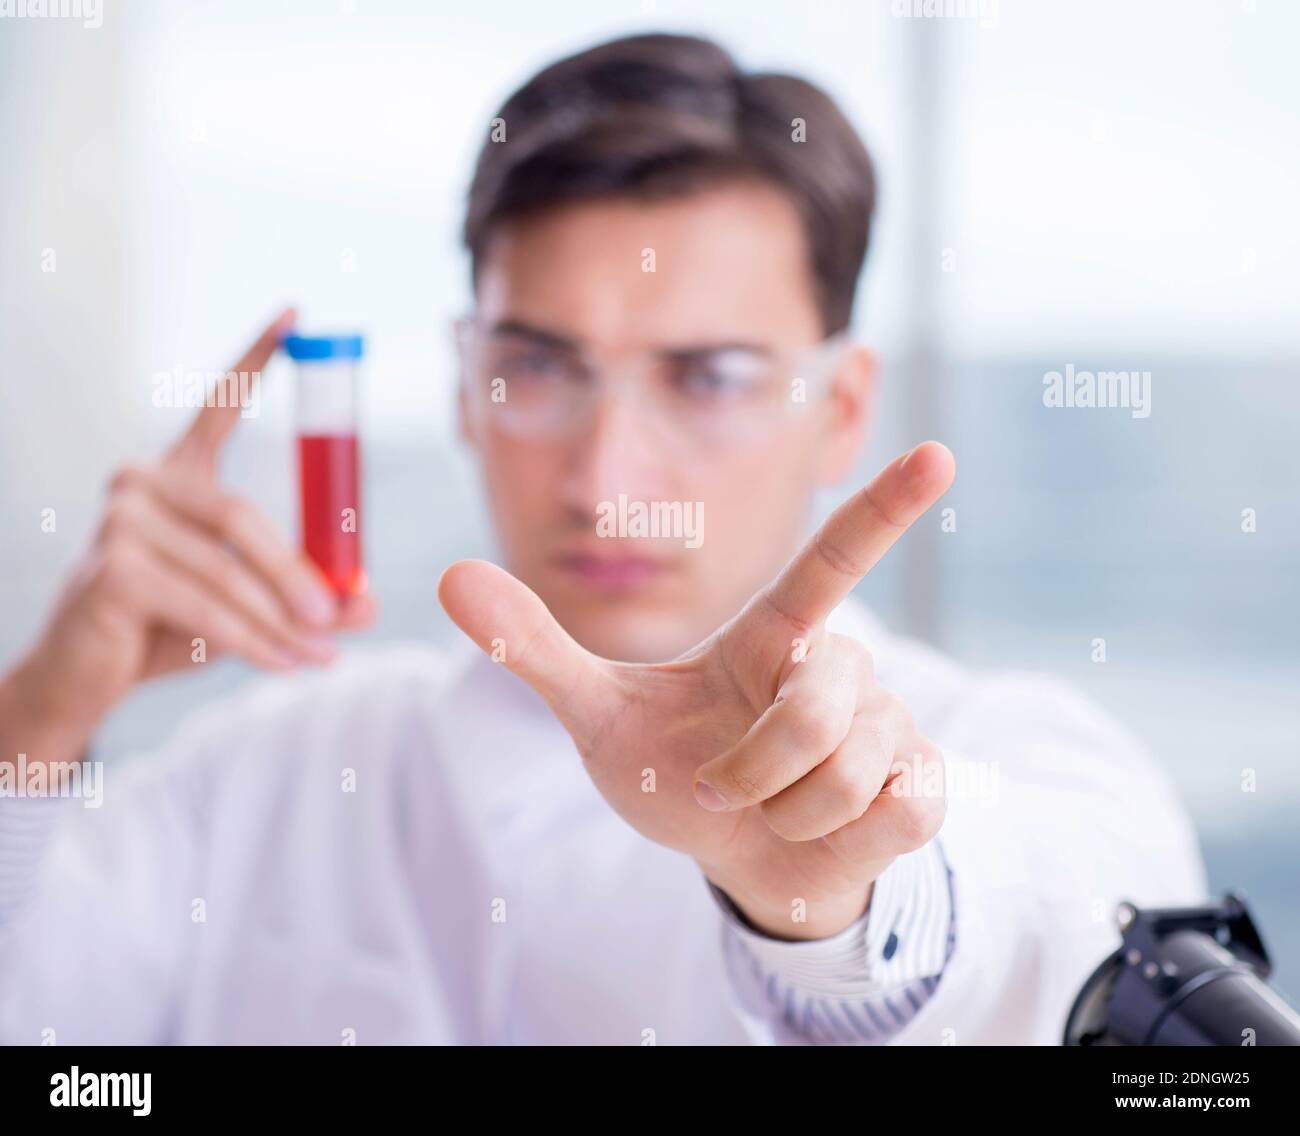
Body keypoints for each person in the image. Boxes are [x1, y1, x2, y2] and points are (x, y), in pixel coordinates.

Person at [0, 33, 1203, 1045]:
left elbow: (1058, 963)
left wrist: (828, 904)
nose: (607, 478)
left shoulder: (1038, 761)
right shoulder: (268, 771)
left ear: (840, 411)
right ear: (464, 387)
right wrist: (38, 716)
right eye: (536, 366)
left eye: (710, 376)